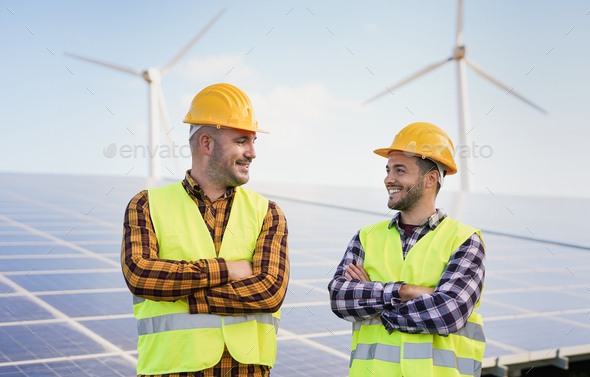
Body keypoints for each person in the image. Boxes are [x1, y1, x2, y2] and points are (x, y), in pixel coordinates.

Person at [121, 83, 289, 377]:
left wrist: (186, 297)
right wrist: (228, 270)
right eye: (241, 141)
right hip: (171, 370)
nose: (252, 153)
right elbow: (141, 275)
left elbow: (269, 291)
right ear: (207, 144)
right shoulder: (147, 205)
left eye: (253, 142)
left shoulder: (268, 212)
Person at [328, 122, 486, 377]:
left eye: (400, 171)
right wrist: (406, 291)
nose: (388, 179)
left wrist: (374, 303)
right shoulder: (366, 236)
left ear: (430, 179)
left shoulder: (465, 240)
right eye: (388, 170)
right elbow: (339, 298)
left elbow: (448, 312)